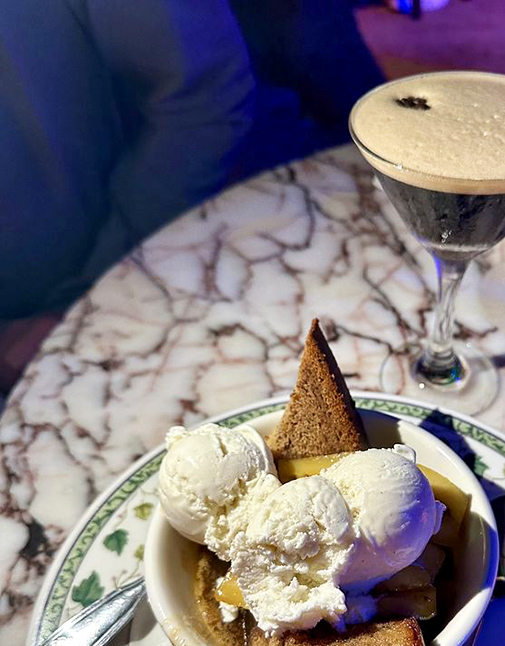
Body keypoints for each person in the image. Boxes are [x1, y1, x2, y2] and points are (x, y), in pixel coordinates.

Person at [0, 0, 384, 396]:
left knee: (335, 88)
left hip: (132, 259)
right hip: (91, 284)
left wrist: (94, 290)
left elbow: (203, 94)